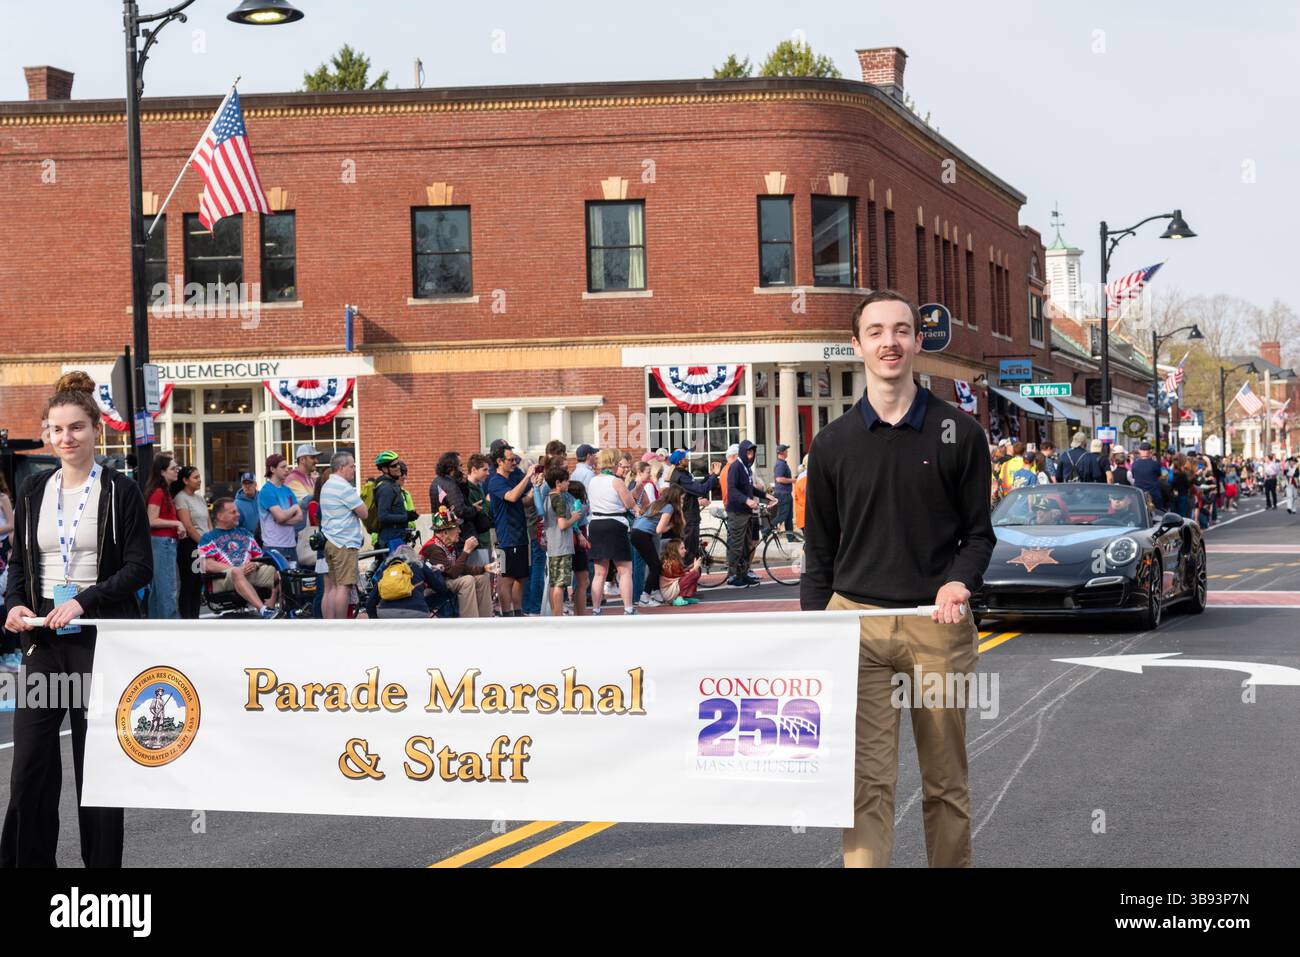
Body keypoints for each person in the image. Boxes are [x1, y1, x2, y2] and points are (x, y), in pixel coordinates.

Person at [801, 290, 994, 869]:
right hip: (854, 629)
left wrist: (959, 582)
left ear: (918, 340)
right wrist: (815, 640)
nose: (891, 341)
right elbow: (819, 554)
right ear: (857, 344)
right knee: (865, 786)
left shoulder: (960, 433)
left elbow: (980, 535)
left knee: (945, 786)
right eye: (878, 331)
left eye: (903, 330)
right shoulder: (832, 444)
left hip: (937, 627)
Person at [2, 370, 153, 868]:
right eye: (57, 429)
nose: (66, 438)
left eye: (76, 428)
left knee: (99, 771)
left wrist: (85, 600)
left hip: (100, 641)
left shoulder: (120, 490)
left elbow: (138, 568)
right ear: (47, 433)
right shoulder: (32, 492)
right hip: (44, 643)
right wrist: (15, 606)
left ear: (96, 430)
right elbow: (21, 563)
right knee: (28, 768)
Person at [199, 499, 281, 617]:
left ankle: (282, 610)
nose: (238, 514)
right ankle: (263, 610)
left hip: (249, 572)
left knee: (280, 573)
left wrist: (255, 564)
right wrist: (235, 569)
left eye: (237, 511)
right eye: (233, 512)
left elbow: (259, 557)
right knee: (237, 572)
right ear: (220, 516)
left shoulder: (245, 533)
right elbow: (207, 564)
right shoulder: (208, 538)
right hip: (222, 578)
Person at [586, 448, 638, 615]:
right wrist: (632, 493)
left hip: (595, 524)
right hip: (614, 524)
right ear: (614, 462)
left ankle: (596, 609)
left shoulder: (593, 481)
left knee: (599, 572)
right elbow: (629, 504)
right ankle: (628, 608)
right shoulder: (616, 481)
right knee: (625, 570)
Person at [420, 506, 497, 617]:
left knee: (482, 579)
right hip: (434, 586)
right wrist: (466, 551)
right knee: (467, 580)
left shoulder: (448, 545)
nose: (460, 531)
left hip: (447, 581)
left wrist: (484, 568)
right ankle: (470, 624)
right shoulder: (432, 548)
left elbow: (459, 567)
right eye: (456, 528)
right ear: (445, 533)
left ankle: (485, 620)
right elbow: (453, 573)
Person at [319, 451, 368, 619]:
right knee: (344, 587)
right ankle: (341, 625)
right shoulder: (344, 487)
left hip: (330, 540)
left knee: (332, 587)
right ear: (341, 467)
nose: (354, 469)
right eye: (352, 466)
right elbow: (364, 513)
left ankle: (330, 624)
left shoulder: (327, 485)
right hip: (344, 543)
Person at [486, 447, 532, 616]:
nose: (514, 463)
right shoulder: (495, 481)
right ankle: (507, 614)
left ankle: (518, 612)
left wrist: (535, 485)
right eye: (510, 460)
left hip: (520, 534)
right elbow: (512, 497)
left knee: (521, 577)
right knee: (506, 578)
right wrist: (527, 477)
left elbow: (524, 501)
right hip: (505, 536)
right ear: (499, 461)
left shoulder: (512, 478)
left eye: (515, 460)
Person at [144, 453, 186, 619]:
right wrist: (177, 524)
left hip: (163, 542)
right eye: (173, 468)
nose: (177, 471)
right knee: (168, 588)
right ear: (162, 472)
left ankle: (155, 626)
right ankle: (171, 627)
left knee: (158, 590)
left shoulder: (163, 491)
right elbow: (151, 520)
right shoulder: (159, 493)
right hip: (162, 543)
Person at [630, 484, 684, 604]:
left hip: (636, 532)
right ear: (676, 497)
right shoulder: (669, 507)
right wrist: (671, 525)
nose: (682, 501)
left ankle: (655, 592)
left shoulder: (657, 503)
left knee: (653, 564)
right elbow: (659, 530)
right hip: (642, 535)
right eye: (682, 498)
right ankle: (645, 597)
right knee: (655, 566)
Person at [666, 450, 721, 565]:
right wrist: (715, 475)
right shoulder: (681, 476)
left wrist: (710, 476)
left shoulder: (682, 474)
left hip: (688, 516)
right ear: (680, 461)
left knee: (690, 549)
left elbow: (697, 486)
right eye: (685, 458)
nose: (688, 459)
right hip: (688, 518)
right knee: (688, 551)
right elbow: (701, 490)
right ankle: (686, 579)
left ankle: (688, 577)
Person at [539, 465, 580, 617]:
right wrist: (574, 518)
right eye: (566, 481)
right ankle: (558, 615)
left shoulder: (547, 498)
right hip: (562, 545)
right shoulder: (559, 500)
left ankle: (554, 614)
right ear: (558, 483)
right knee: (559, 584)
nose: (568, 484)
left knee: (553, 582)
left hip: (553, 545)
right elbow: (562, 524)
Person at [172, 465, 210, 620]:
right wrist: (203, 543)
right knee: (189, 582)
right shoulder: (181, 498)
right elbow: (187, 525)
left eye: (199, 476)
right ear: (185, 480)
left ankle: (195, 617)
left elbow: (208, 522)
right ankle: (187, 618)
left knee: (198, 583)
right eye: (195, 477)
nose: (199, 480)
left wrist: (211, 542)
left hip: (203, 544)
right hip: (190, 545)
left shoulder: (200, 498)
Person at [724, 440, 762, 587]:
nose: (750, 455)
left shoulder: (746, 468)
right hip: (737, 512)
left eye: (752, 452)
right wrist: (747, 500)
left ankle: (743, 573)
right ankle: (733, 576)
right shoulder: (735, 467)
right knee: (737, 545)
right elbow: (732, 491)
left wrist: (766, 495)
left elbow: (750, 488)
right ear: (741, 452)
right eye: (748, 452)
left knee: (746, 545)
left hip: (746, 512)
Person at [258, 453, 303, 565]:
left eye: (287, 467)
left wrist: (283, 520)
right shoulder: (266, 491)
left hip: (291, 544)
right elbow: (281, 516)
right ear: (272, 469)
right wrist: (294, 508)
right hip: (274, 545)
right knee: (277, 581)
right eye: (283, 467)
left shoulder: (288, 490)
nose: (287, 470)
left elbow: (300, 517)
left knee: (293, 581)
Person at [371, 450, 415, 552]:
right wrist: (406, 517)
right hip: (391, 539)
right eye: (394, 465)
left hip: (397, 536)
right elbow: (383, 516)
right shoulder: (386, 488)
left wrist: (407, 514)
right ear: (385, 469)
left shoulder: (392, 485)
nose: (398, 467)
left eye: (398, 464)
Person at [659, 540, 703, 606]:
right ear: (674, 551)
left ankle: (685, 597)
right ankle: (679, 598)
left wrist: (691, 567)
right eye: (682, 548)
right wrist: (694, 568)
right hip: (669, 592)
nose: (685, 550)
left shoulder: (674, 560)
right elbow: (683, 577)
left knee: (696, 572)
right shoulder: (673, 563)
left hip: (673, 588)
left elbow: (681, 575)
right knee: (694, 573)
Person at [1130, 442, 1165, 510]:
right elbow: (1159, 477)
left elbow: (1134, 477)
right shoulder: (1155, 464)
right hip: (1154, 495)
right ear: (1150, 451)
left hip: (1140, 495)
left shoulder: (1135, 464)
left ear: (1140, 451)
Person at [771, 443, 795, 537]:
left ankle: (790, 536)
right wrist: (794, 480)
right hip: (783, 494)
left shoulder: (782, 463)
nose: (787, 452)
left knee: (789, 516)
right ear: (782, 452)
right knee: (782, 516)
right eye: (786, 450)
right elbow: (779, 479)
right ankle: (766, 530)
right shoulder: (780, 464)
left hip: (786, 493)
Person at [234, 471, 261, 537]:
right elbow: (235, 526)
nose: (247, 486)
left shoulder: (263, 499)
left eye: (250, 483)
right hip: (247, 541)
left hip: (265, 540)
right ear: (242, 485)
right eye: (245, 484)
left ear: (255, 484)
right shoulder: (236, 504)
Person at [792, 453, 809, 532]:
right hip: (806, 515)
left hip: (804, 515)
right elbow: (807, 496)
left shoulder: (803, 476)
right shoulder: (805, 477)